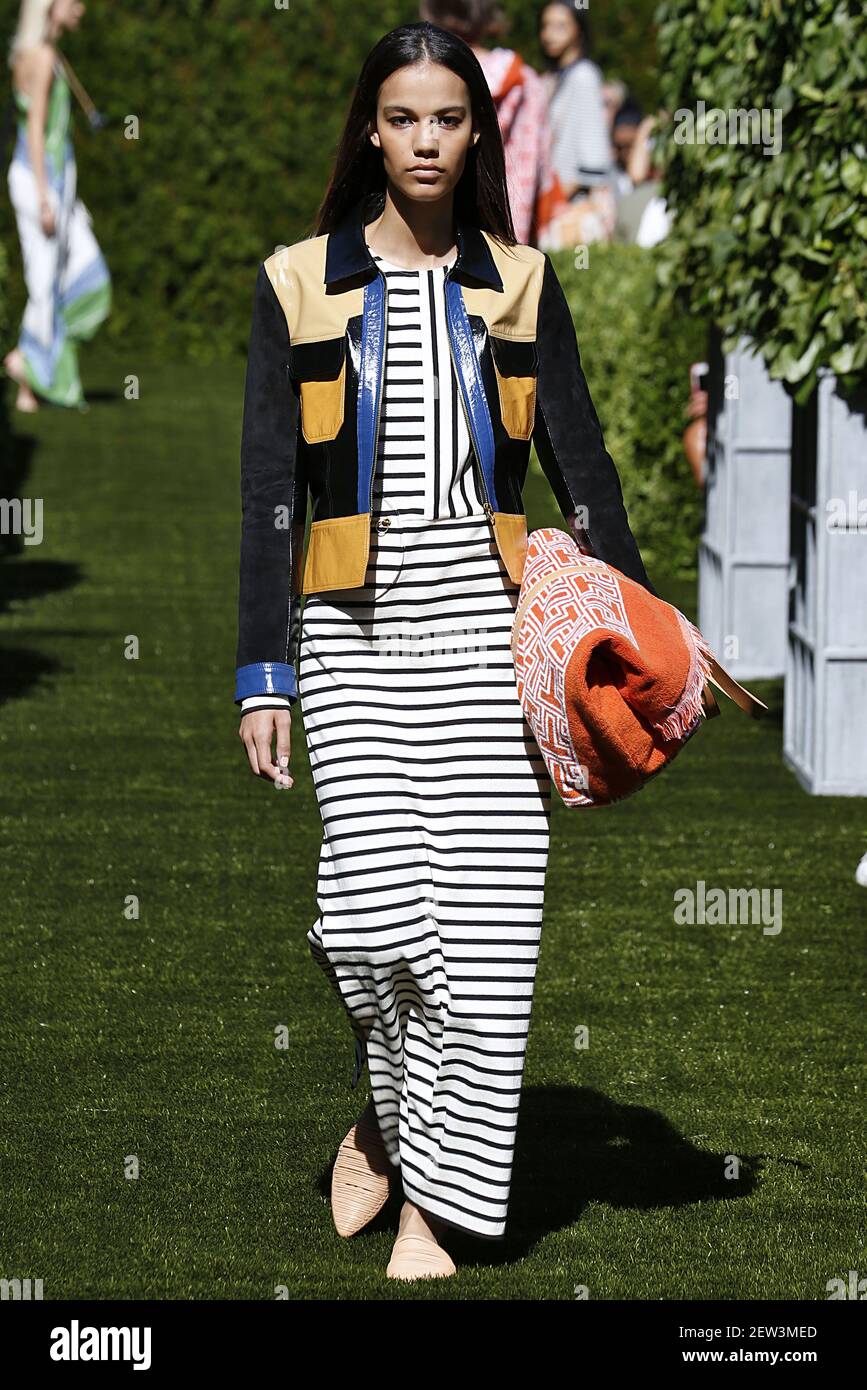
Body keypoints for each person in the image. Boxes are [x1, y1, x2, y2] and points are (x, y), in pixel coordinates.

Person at [234, 20, 656, 1281]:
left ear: (477, 132)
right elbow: (268, 487)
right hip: (351, 641)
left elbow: (580, 463)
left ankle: (436, 1200)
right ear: (372, 126)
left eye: (449, 119)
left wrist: (630, 619)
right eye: (404, 117)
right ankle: (389, 1109)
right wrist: (267, 672)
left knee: (482, 924)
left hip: (488, 636)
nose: (426, 140)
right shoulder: (298, 281)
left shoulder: (522, 283)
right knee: (367, 912)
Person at [3, 0, 110, 412]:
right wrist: (47, 197)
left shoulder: (38, 53)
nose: (80, 8)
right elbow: (34, 128)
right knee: (45, 282)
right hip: (40, 181)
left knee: (67, 276)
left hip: (46, 182)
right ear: (50, 6)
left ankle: (31, 382)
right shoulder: (44, 56)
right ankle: (23, 361)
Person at [419, 0, 567, 245]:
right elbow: (543, 166)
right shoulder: (529, 81)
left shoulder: (426, 74)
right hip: (511, 231)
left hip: (437, 231)